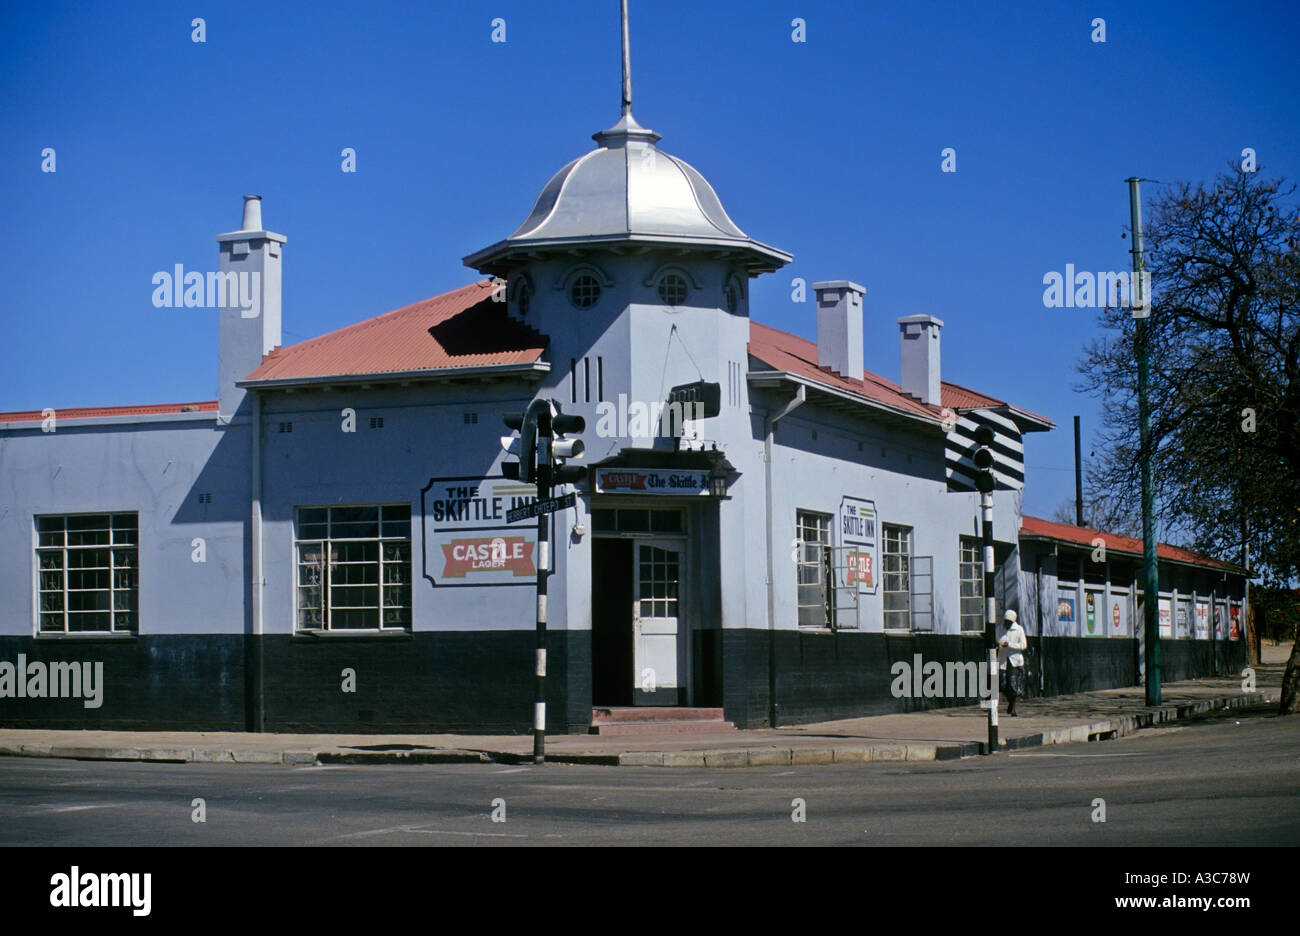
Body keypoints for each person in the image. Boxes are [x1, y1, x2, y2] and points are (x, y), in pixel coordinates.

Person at [998, 609, 1028, 716]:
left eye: (1008, 621)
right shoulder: (1000, 629)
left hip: (1014, 661)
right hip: (1002, 660)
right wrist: (998, 644)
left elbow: (1023, 645)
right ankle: (1010, 703)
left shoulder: (1019, 630)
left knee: (1013, 685)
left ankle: (1013, 707)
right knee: (1002, 684)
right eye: (1005, 621)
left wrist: (1009, 645)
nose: (1006, 623)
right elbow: (998, 641)